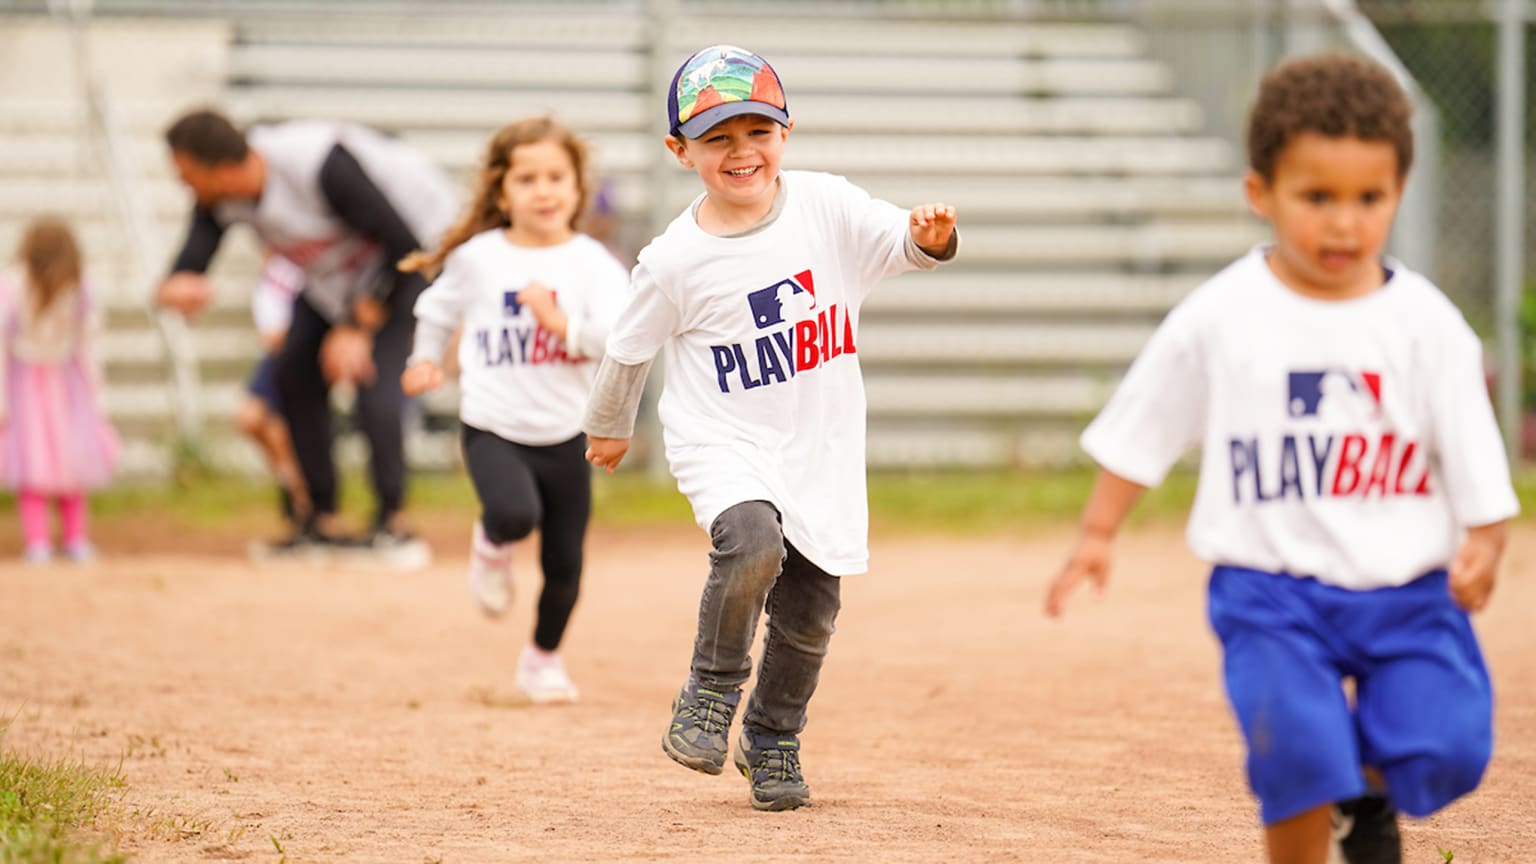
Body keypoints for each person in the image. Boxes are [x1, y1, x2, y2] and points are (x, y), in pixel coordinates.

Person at [1044, 54, 1518, 864]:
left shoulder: (1428, 325)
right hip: (1270, 592)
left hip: (1407, 590)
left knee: (1449, 748)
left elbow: (1475, 451)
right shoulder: (1222, 315)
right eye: (1316, 197)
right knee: (1295, 747)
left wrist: (1487, 541)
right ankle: (1316, 813)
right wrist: (1098, 533)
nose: (1344, 224)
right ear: (1260, 192)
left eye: (1369, 198)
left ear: (1399, 189)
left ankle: (1360, 792)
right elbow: (1142, 428)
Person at [582, 45, 958, 811]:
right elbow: (627, 348)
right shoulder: (676, 259)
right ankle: (710, 693)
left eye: (757, 131)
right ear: (679, 151)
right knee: (752, 546)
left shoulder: (827, 205)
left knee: (812, 611)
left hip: (818, 449)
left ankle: (774, 736)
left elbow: (908, 248)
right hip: (723, 441)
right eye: (717, 138)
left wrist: (933, 234)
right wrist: (611, 426)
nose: (741, 152)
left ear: (786, 133)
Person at [155, 108, 457, 564]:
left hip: (411, 260)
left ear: (221, 168)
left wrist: (358, 327)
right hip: (334, 279)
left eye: (187, 174)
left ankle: (392, 524)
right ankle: (319, 519)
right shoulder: (224, 194)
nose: (184, 185)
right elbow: (195, 251)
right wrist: (179, 280)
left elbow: (402, 242)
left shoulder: (318, 164)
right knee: (293, 371)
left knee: (375, 379)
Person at [400, 116, 629, 704]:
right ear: (502, 192)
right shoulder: (480, 258)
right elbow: (436, 309)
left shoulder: (594, 264)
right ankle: (491, 545)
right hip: (492, 425)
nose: (544, 190)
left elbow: (621, 337)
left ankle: (542, 661)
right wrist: (426, 360)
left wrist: (560, 325)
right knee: (512, 513)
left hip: (566, 434)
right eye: (527, 179)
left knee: (565, 564)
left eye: (557, 176)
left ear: (578, 188)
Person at [0, 217, 120, 564]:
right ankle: (63, 540)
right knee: (52, 465)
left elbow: (85, 345)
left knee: (56, 465)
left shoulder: (74, 291)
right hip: (47, 386)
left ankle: (53, 541)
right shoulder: (16, 290)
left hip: (49, 387)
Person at [240, 251, 311, 554]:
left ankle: (303, 506)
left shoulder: (301, 262)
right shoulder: (274, 264)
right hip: (275, 356)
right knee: (255, 421)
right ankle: (296, 490)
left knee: (271, 424)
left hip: (293, 353)